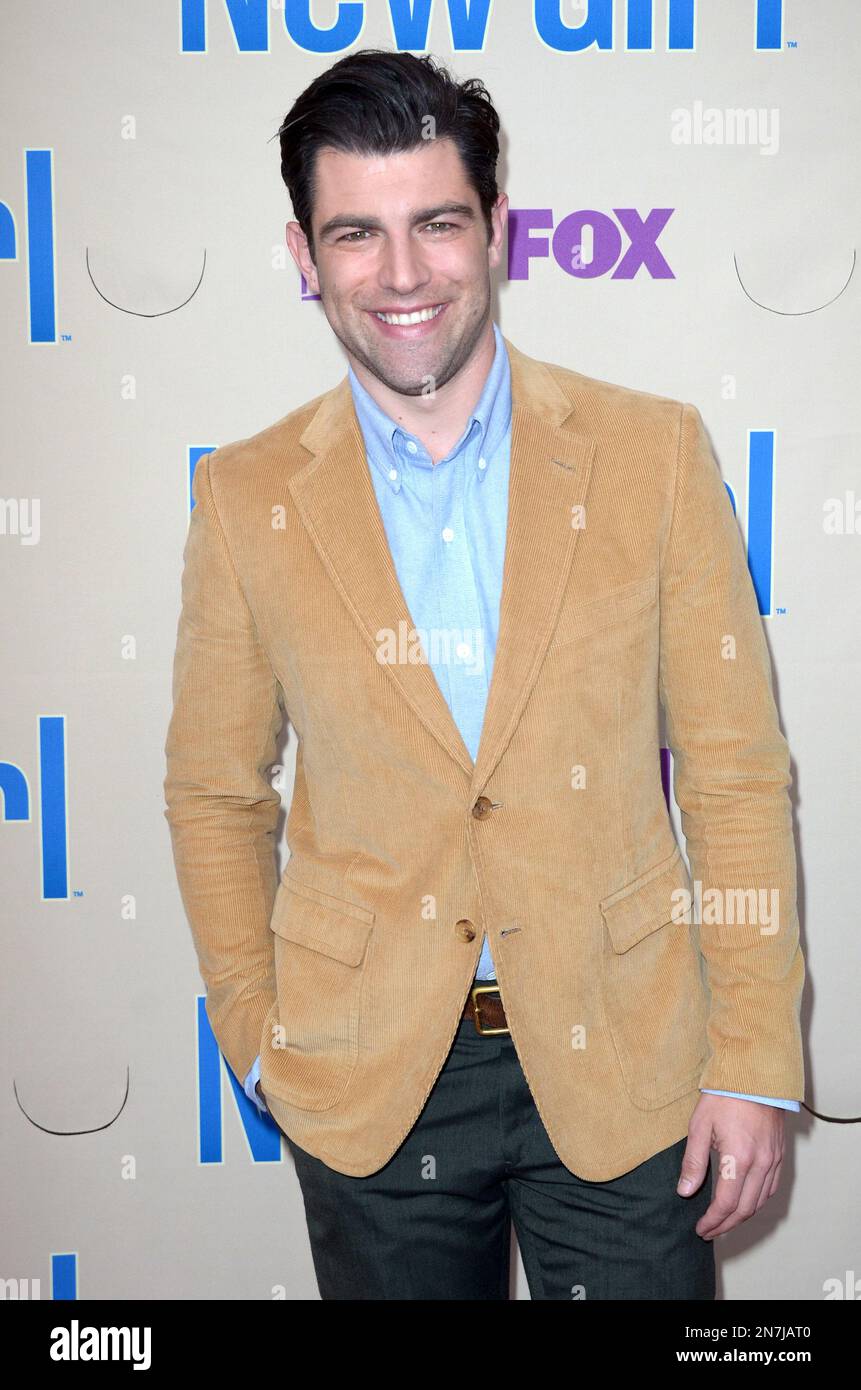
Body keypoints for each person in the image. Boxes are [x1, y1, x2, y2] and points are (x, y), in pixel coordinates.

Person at [163, 48, 804, 1300]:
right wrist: (257, 1034)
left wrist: (751, 1056)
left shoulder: (653, 454)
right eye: (356, 233)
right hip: (369, 1074)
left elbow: (732, 774)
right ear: (304, 255)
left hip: (628, 1059)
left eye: (437, 223)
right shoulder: (246, 498)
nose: (402, 275)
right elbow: (215, 792)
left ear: (497, 228)